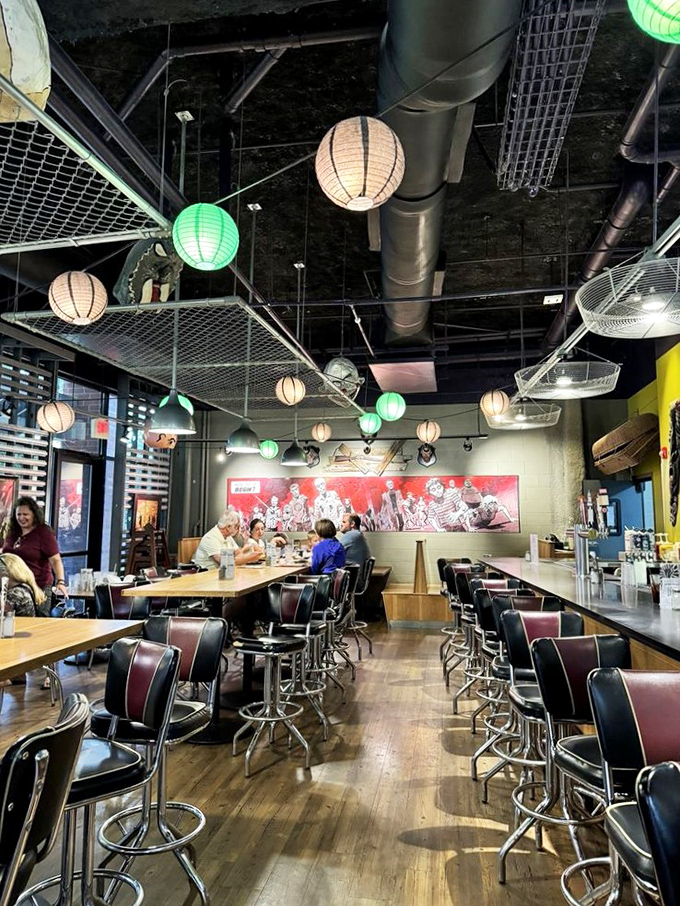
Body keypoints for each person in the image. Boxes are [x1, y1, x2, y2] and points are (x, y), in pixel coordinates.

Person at [1, 496, 68, 607]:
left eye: (25, 514)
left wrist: (61, 581)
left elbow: (55, 560)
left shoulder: (43, 533)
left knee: (38, 616)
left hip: (38, 586)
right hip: (12, 587)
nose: (21, 518)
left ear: (34, 514)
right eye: (19, 514)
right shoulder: (12, 531)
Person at [0, 552, 50, 688]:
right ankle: (16, 675)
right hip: (22, 639)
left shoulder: (16, 593)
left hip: (17, 642)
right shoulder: (26, 588)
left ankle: (8, 676)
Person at [193, 512, 261, 569]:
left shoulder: (228, 537)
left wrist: (244, 557)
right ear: (228, 527)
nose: (238, 529)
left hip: (223, 573)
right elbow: (224, 563)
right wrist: (248, 558)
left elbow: (238, 554)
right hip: (207, 576)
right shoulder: (210, 538)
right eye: (236, 526)